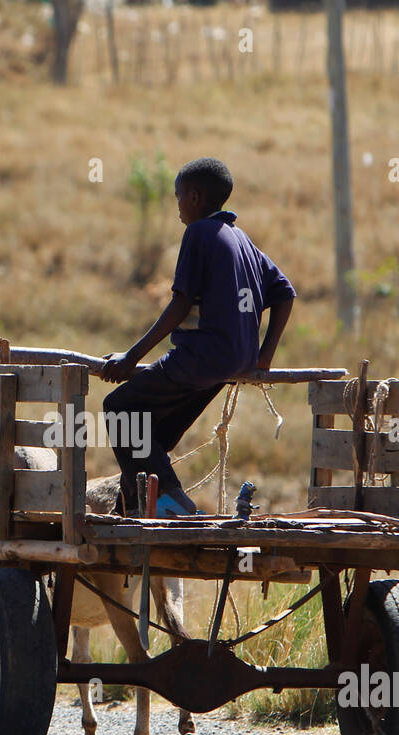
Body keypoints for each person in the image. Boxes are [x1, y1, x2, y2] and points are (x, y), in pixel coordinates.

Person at [100, 158, 296, 516]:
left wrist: (130, 357)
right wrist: (263, 356)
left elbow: (179, 304)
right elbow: (285, 292)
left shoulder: (199, 233)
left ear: (194, 196)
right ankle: (130, 505)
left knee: (118, 408)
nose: (176, 208)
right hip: (230, 364)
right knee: (152, 435)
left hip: (200, 359)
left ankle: (172, 501)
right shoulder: (241, 239)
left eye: (177, 197)